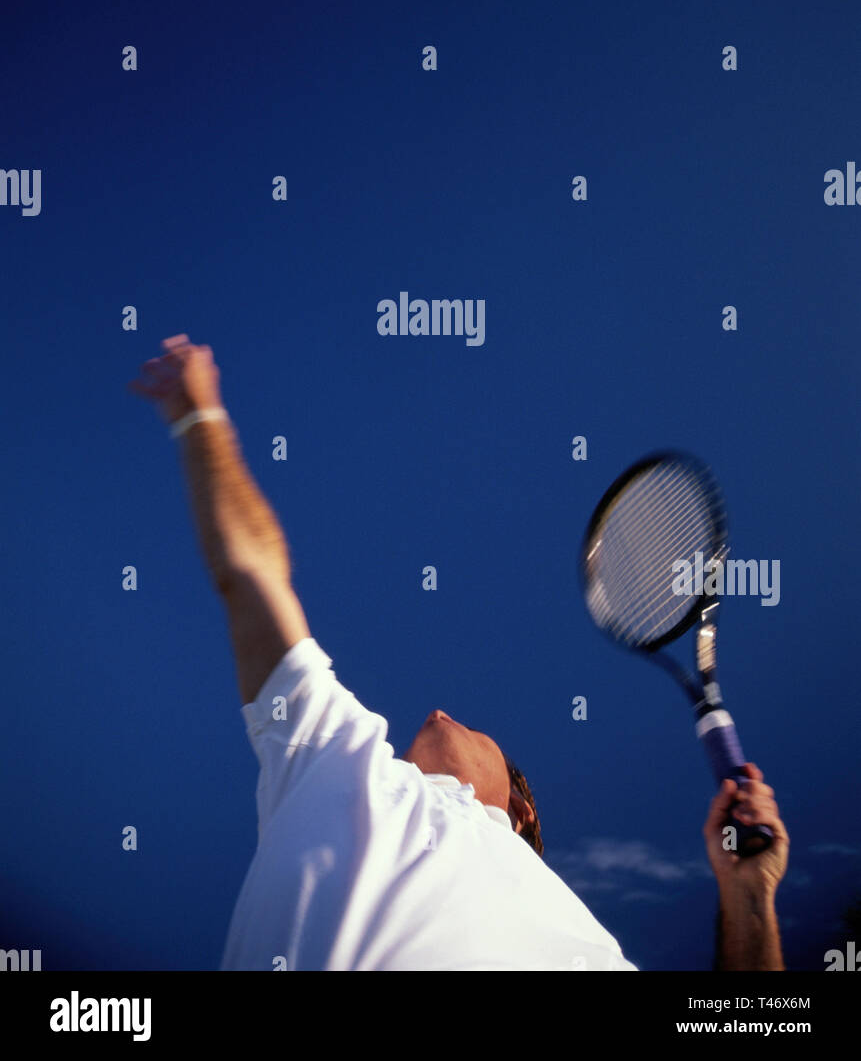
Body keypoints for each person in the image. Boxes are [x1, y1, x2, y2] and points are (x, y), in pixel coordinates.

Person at [130, 334, 789, 972]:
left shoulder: (591, 943)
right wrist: (201, 416)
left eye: (481, 733)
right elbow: (251, 576)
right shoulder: (337, 758)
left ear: (523, 809)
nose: (442, 711)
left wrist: (747, 896)